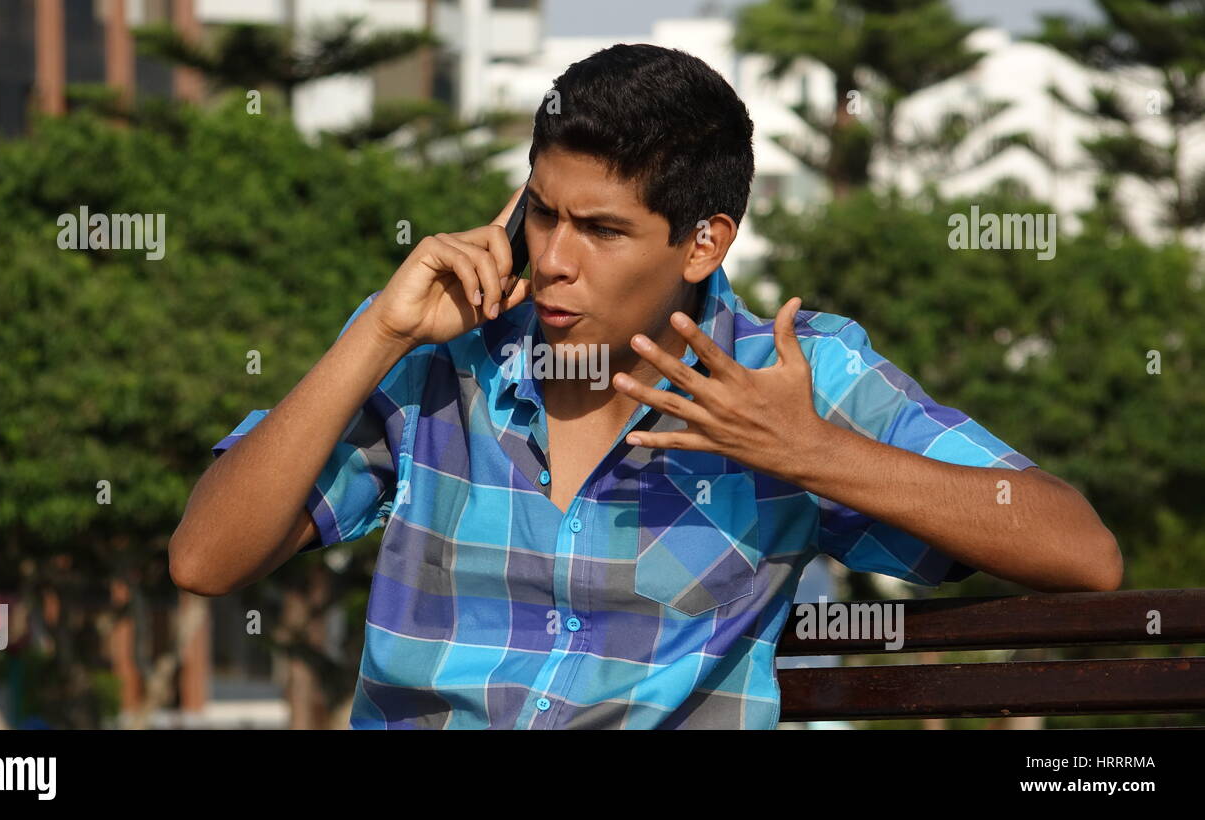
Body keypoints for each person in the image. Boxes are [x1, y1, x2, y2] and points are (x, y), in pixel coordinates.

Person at [168, 43, 1122, 729]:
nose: (553, 262)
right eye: (542, 215)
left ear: (703, 242)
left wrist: (813, 454)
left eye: (603, 230)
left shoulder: (788, 377)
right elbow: (205, 560)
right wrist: (376, 330)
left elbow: (1081, 551)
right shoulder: (429, 356)